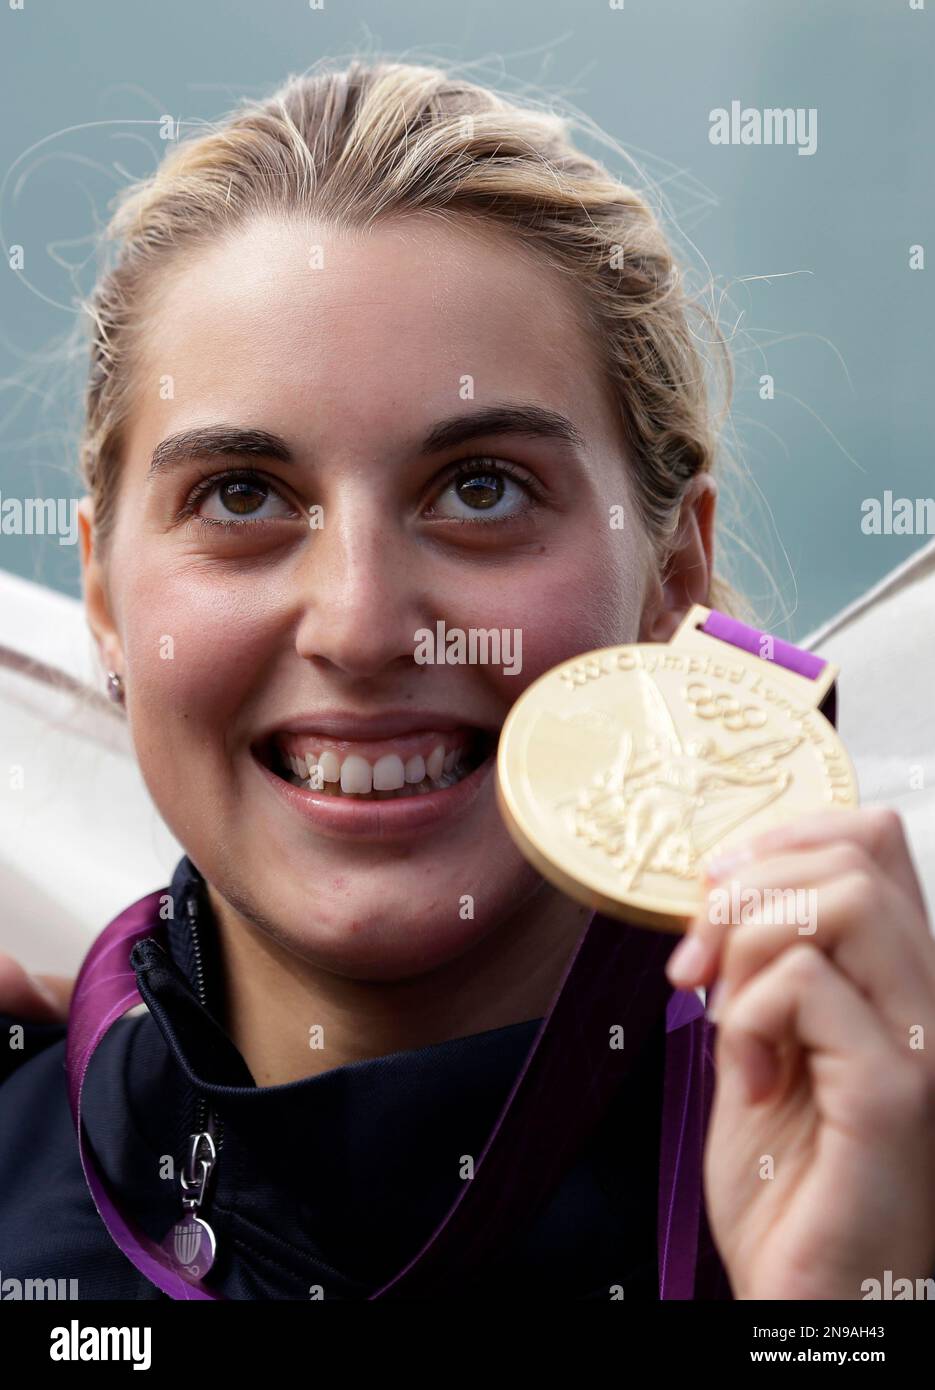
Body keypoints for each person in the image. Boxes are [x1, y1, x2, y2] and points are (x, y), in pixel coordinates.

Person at [1, 58, 933, 1302]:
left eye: (479, 488)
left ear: (675, 577)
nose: (364, 624)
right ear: (107, 603)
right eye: (242, 496)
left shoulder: (888, 1182)